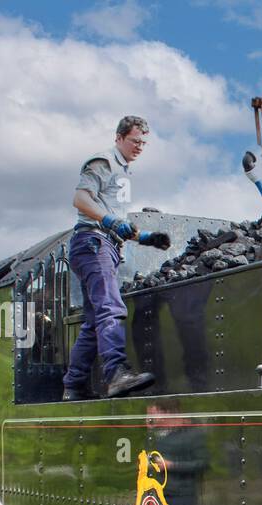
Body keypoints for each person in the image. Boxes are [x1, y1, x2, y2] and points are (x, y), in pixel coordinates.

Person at [64, 115, 172, 400]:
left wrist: (146, 238)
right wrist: (110, 222)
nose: (140, 147)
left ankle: (73, 386)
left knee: (93, 321)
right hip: (93, 243)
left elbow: (119, 224)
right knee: (111, 307)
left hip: (104, 245)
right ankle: (115, 374)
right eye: (135, 141)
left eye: (143, 143)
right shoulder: (104, 163)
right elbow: (81, 200)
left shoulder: (123, 172)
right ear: (119, 137)